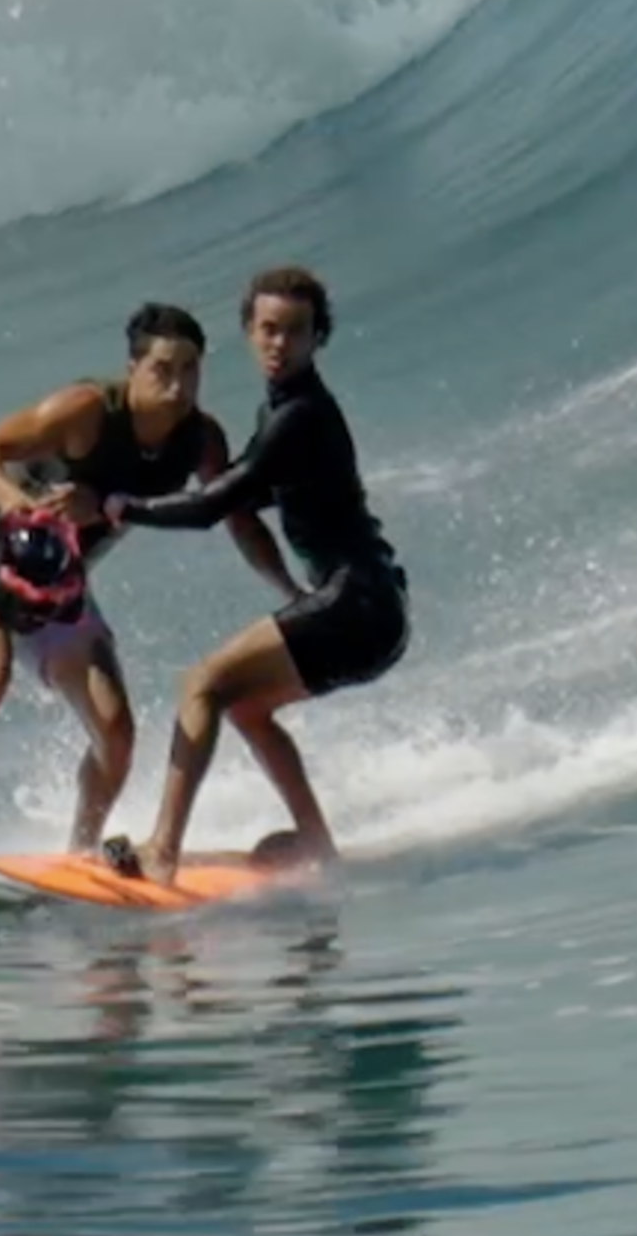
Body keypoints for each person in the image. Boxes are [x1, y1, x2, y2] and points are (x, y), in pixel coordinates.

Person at [0, 303, 287, 884]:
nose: (179, 385)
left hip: (64, 583)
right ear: (133, 367)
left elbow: (239, 520)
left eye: (192, 369)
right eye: (164, 369)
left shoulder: (200, 440)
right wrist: (14, 500)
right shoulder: (85, 412)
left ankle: (77, 858)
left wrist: (288, 587)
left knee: (115, 732)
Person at [99, 262, 408, 886]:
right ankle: (317, 845)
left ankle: (161, 852)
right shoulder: (289, 415)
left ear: (318, 337)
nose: (279, 343)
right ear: (247, 331)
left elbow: (217, 504)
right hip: (371, 609)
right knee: (244, 708)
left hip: (358, 603)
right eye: (268, 329)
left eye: (296, 331)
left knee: (202, 685)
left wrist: (121, 506)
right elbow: (239, 493)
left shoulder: (300, 415)